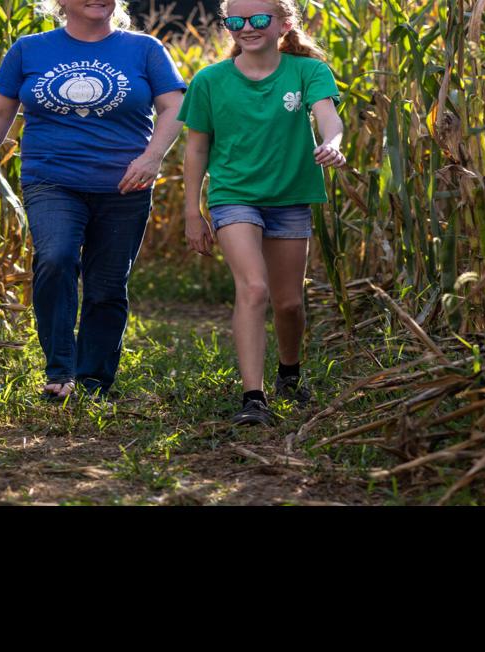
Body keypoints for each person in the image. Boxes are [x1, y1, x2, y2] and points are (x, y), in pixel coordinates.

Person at [0, 0, 188, 401]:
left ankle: (94, 381)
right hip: (51, 179)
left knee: (105, 286)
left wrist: (151, 159)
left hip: (126, 185)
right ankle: (60, 369)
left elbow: (174, 105)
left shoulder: (145, 49)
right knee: (55, 257)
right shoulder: (29, 49)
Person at [178, 0, 345, 425]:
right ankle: (254, 398)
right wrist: (192, 213)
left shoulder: (308, 71)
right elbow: (196, 147)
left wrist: (333, 143)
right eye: (235, 20)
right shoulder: (210, 81)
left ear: (285, 23)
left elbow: (328, 116)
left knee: (288, 303)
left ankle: (289, 372)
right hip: (233, 194)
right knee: (253, 288)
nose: (246, 27)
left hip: (290, 196)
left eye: (258, 19)